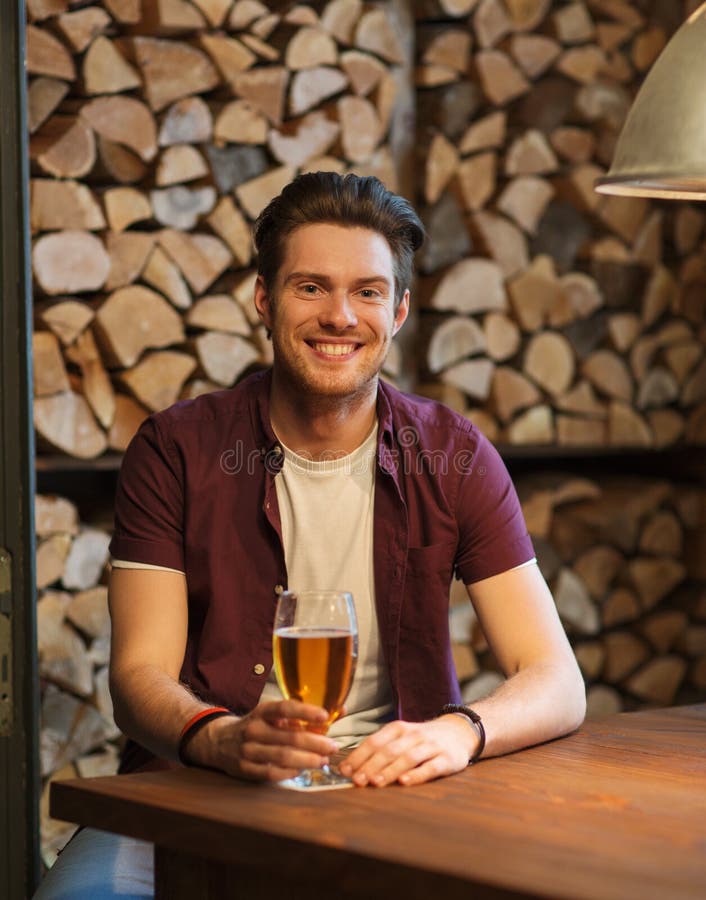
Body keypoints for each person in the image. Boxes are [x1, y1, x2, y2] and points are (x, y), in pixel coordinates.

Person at [34, 172, 585, 898]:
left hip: (392, 792)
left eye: (366, 291)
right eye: (310, 287)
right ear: (264, 299)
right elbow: (138, 681)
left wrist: (458, 732)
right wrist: (219, 738)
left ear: (400, 311)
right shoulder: (178, 449)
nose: (339, 316)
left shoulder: (452, 454)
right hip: (199, 787)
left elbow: (557, 682)